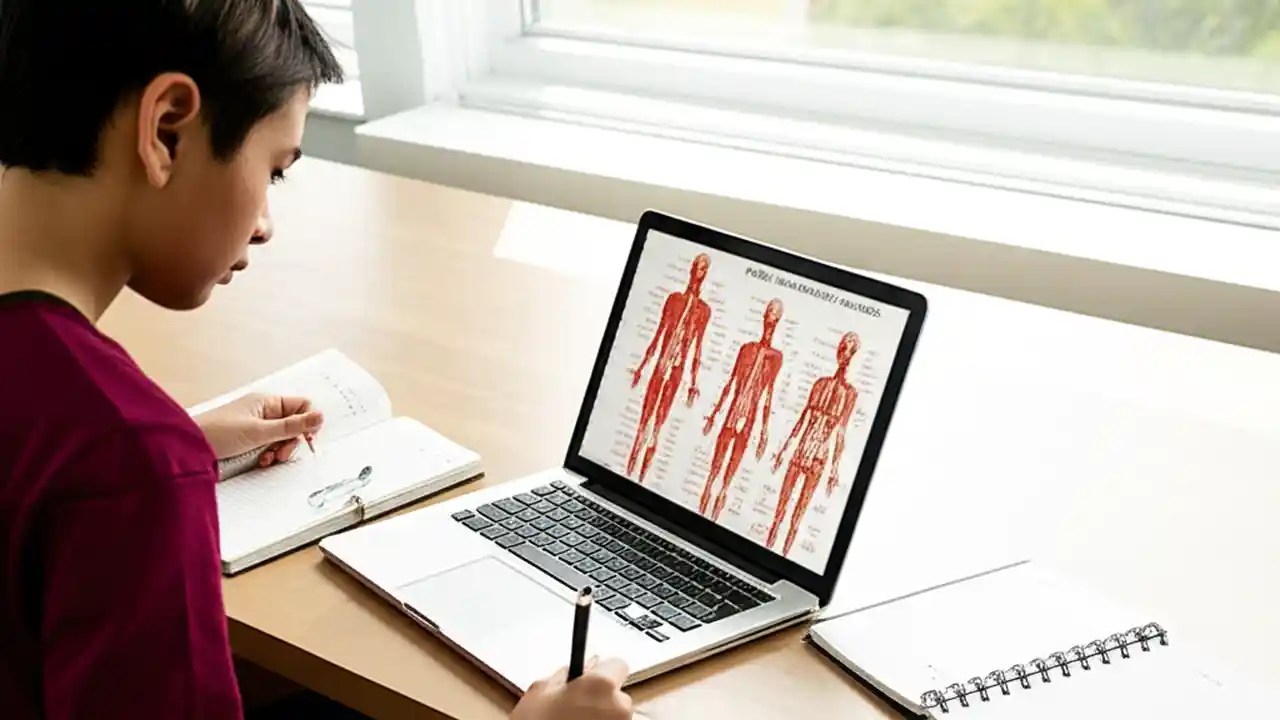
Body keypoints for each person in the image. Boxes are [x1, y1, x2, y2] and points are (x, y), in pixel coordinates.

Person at [0, 2, 632, 719]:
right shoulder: (126, 462)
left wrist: (167, 444)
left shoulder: (94, 448)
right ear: (168, 129)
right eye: (275, 170)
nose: (265, 224)